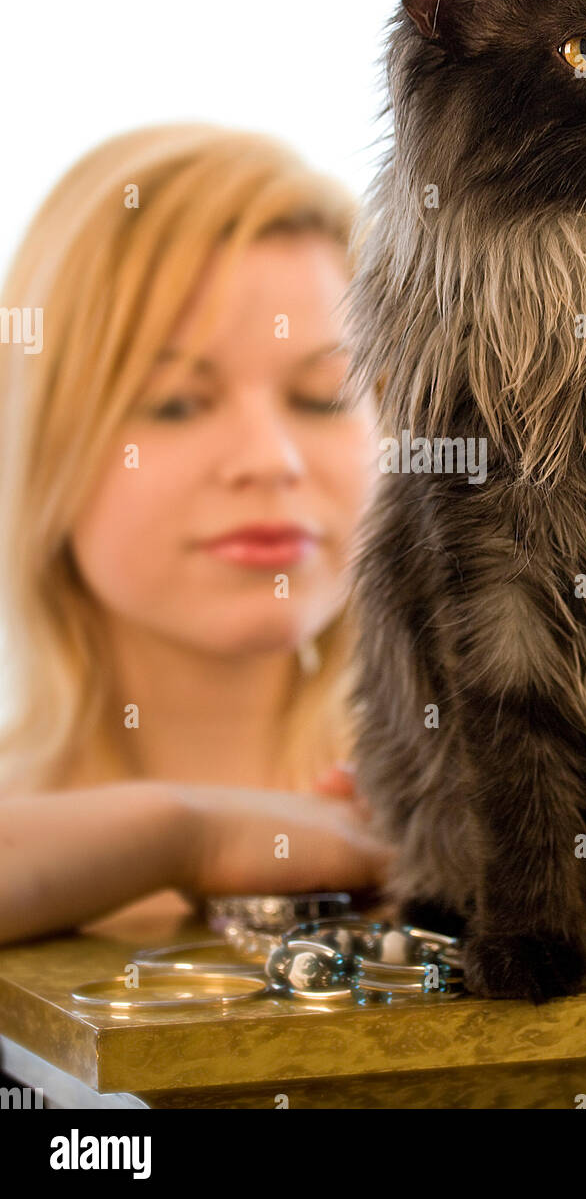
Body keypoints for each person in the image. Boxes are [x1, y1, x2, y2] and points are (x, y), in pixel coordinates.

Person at [0, 123, 394, 945]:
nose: (270, 460)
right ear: (39, 441)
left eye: (321, 397)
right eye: (177, 403)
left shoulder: (502, 808)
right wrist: (186, 832)